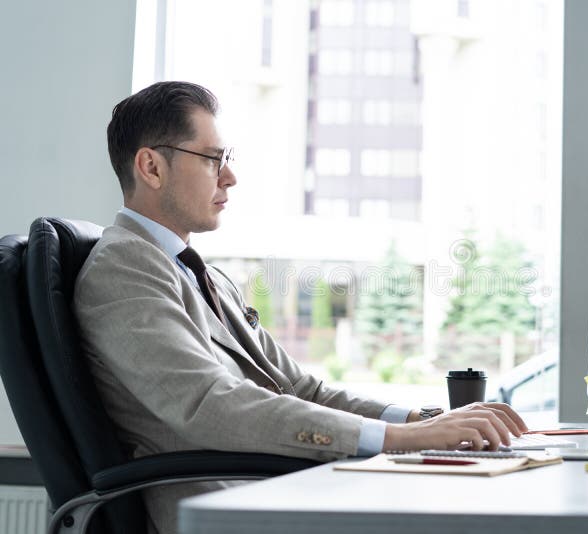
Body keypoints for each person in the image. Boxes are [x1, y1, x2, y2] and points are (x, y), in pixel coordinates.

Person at [74, 81, 528, 534]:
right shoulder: (124, 267)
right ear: (151, 167)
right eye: (213, 159)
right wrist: (399, 439)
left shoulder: (201, 274)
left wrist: (419, 421)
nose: (230, 177)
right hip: (222, 512)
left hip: (271, 495)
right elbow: (208, 405)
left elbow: (301, 388)